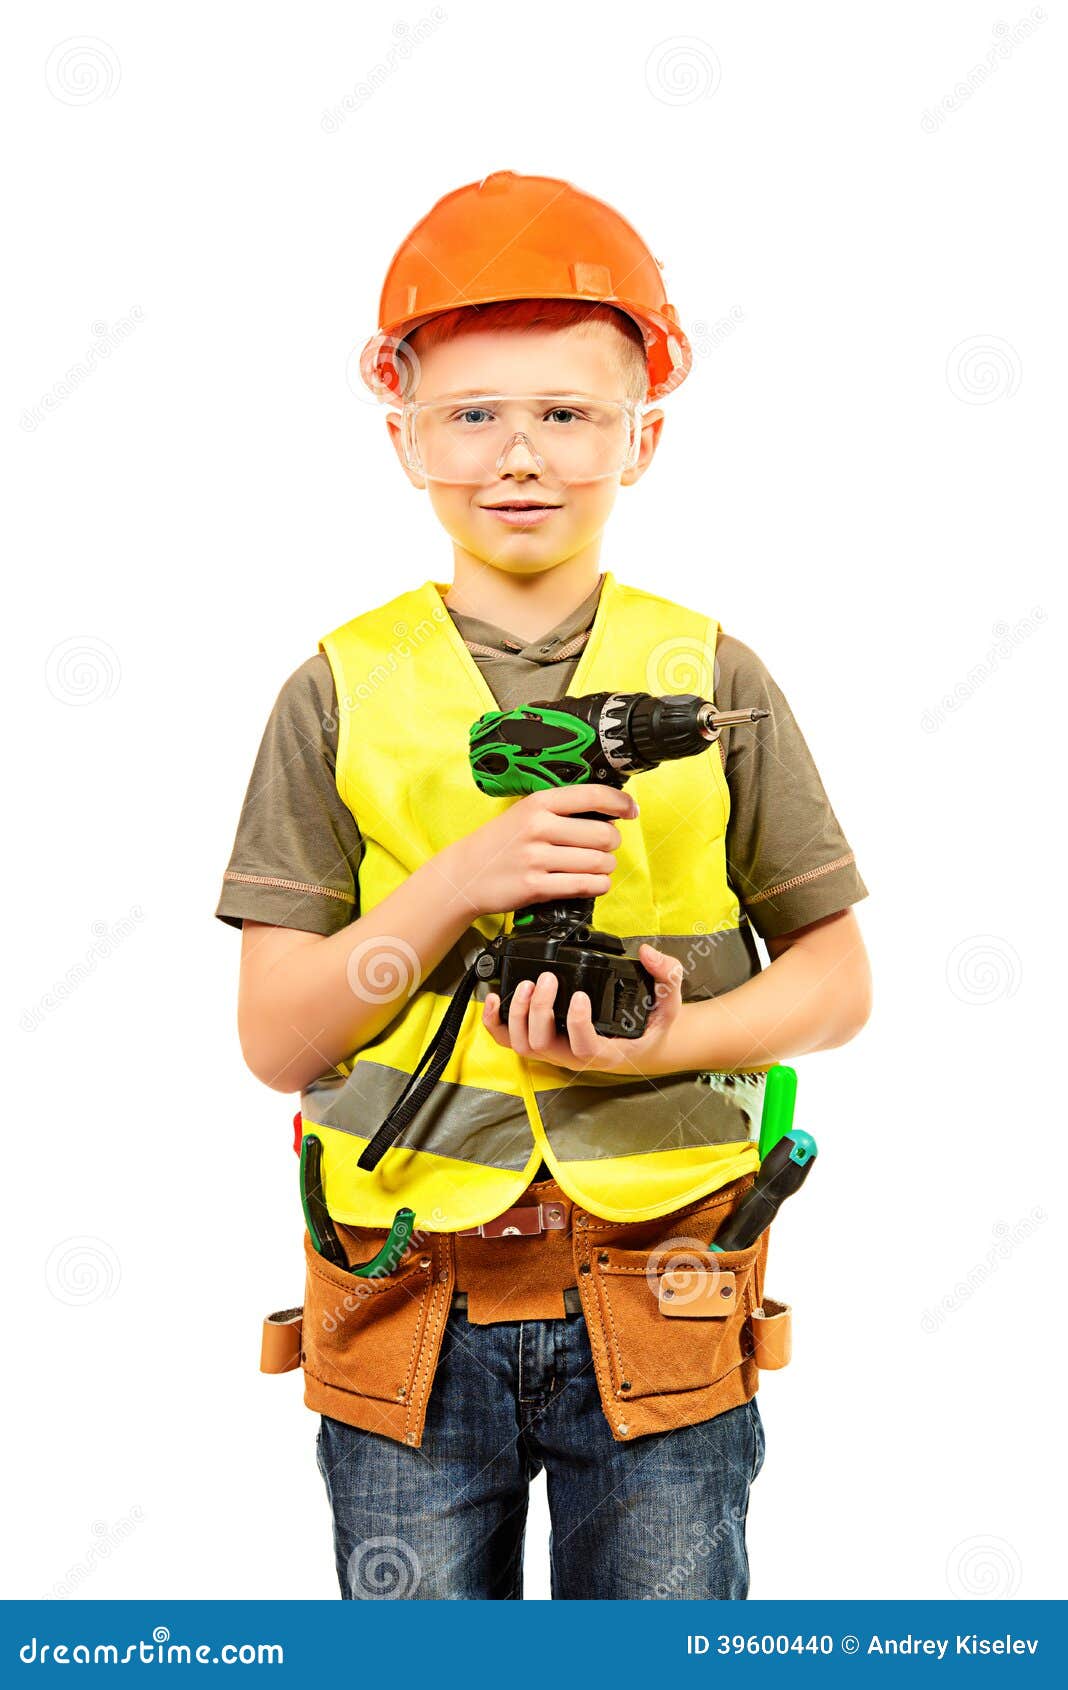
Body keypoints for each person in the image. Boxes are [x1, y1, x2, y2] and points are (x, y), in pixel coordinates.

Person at [216, 171, 872, 1600]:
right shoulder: (337, 689)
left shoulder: (716, 676)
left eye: (568, 413)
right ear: (404, 434)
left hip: (668, 1276)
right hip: (405, 1283)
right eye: (474, 413)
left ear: (644, 435)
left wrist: (674, 1037)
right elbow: (277, 1038)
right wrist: (459, 881)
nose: (520, 454)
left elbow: (837, 981)